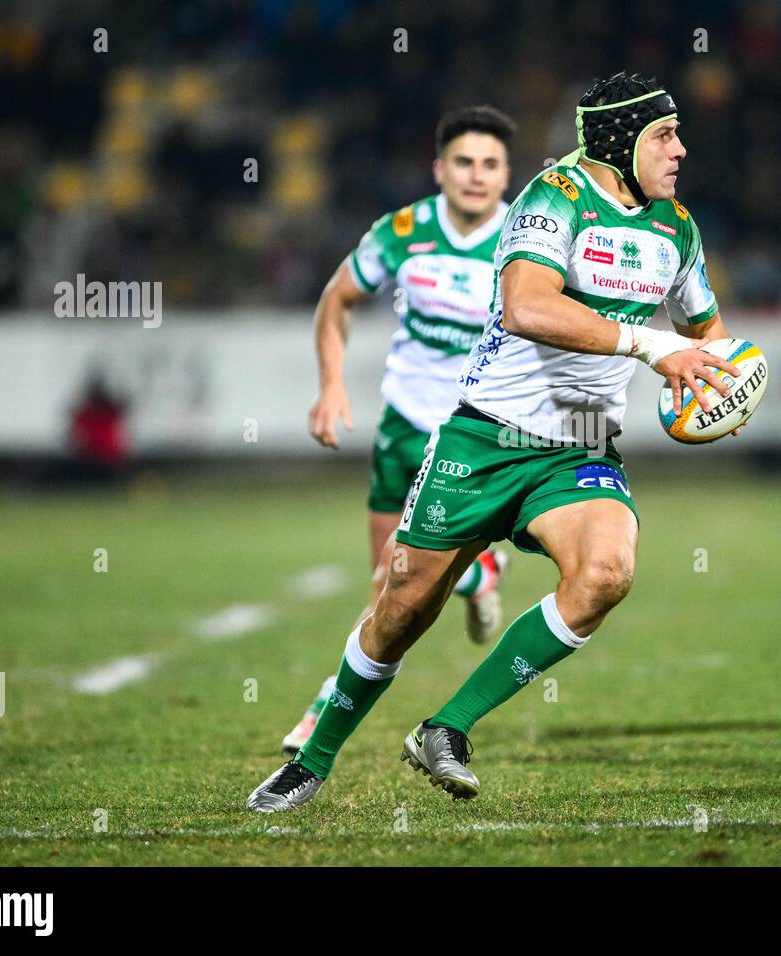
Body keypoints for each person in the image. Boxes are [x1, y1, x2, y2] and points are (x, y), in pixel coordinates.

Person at [249, 71, 741, 812]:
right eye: (664, 135)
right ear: (621, 139)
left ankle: (446, 727)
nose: (680, 150)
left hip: (579, 448)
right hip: (483, 439)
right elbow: (526, 307)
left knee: (606, 572)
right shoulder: (554, 199)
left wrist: (721, 385)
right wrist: (652, 347)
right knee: (401, 607)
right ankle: (312, 762)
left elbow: (707, 330)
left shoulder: (677, 227)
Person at [279, 106, 516, 756]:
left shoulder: (525, 242)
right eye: (463, 162)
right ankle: (477, 577)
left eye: (489, 164)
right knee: (385, 587)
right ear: (439, 169)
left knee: (398, 582)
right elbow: (337, 299)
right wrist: (331, 385)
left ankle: (325, 707)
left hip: (477, 436)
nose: (476, 176)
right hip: (404, 427)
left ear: (507, 174)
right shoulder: (403, 231)